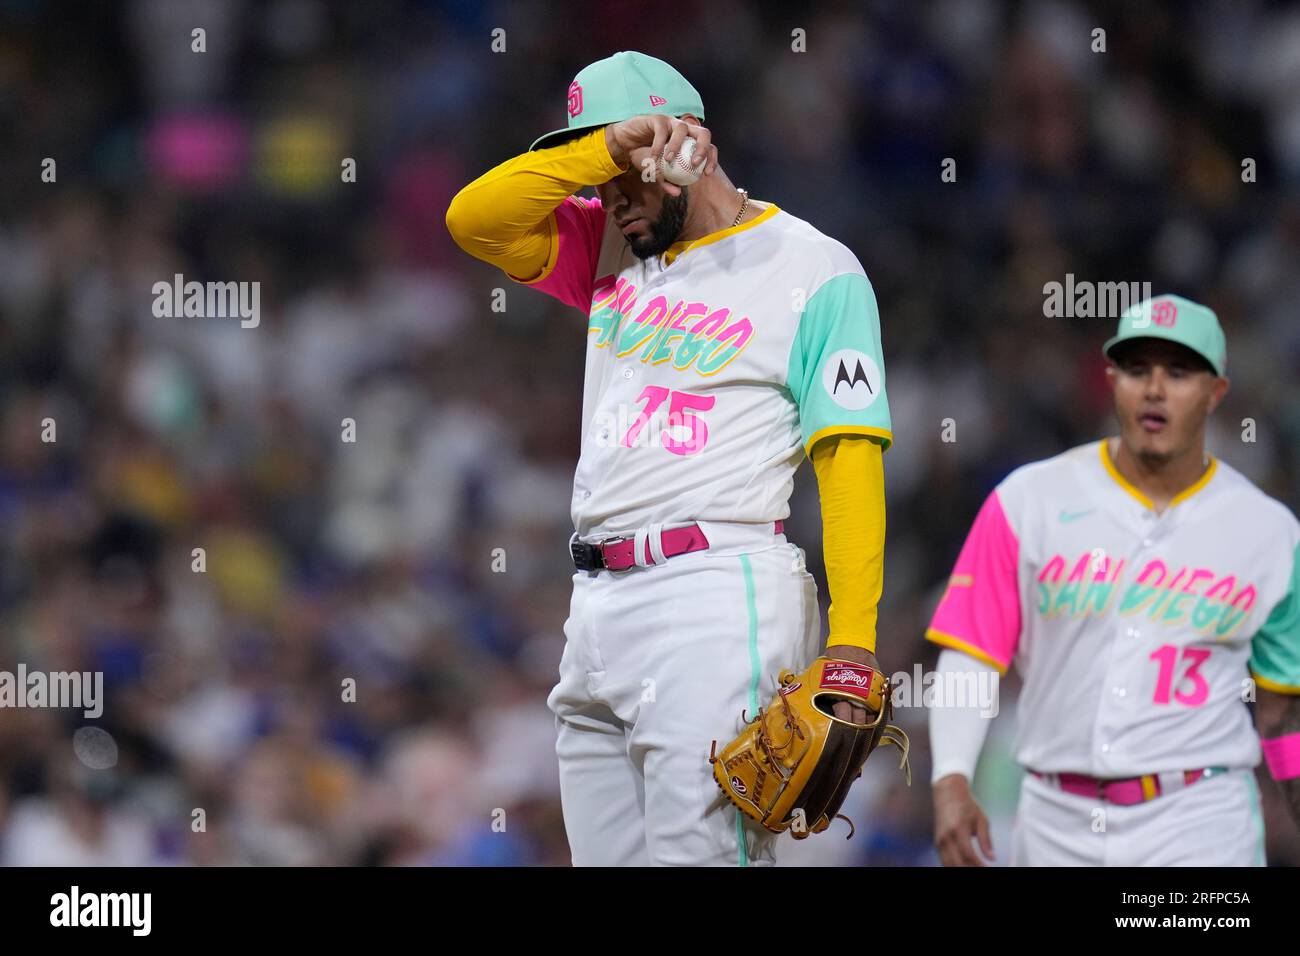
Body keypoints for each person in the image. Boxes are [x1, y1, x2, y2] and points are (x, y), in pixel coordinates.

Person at [445, 51, 894, 865]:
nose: (611, 198)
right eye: (600, 172)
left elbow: (850, 457)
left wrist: (855, 640)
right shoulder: (611, 246)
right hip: (594, 608)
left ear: (695, 144)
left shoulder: (815, 267)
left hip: (717, 591)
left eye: (631, 173)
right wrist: (611, 152)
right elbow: (472, 219)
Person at [926, 294, 1300, 866]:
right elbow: (972, 653)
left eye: (1178, 372)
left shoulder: (1270, 533)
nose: (1154, 388)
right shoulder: (1028, 500)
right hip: (1053, 819)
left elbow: (1280, 707)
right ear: (1111, 380)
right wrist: (951, 777)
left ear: (1216, 392)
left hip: (1199, 818)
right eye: (1136, 369)